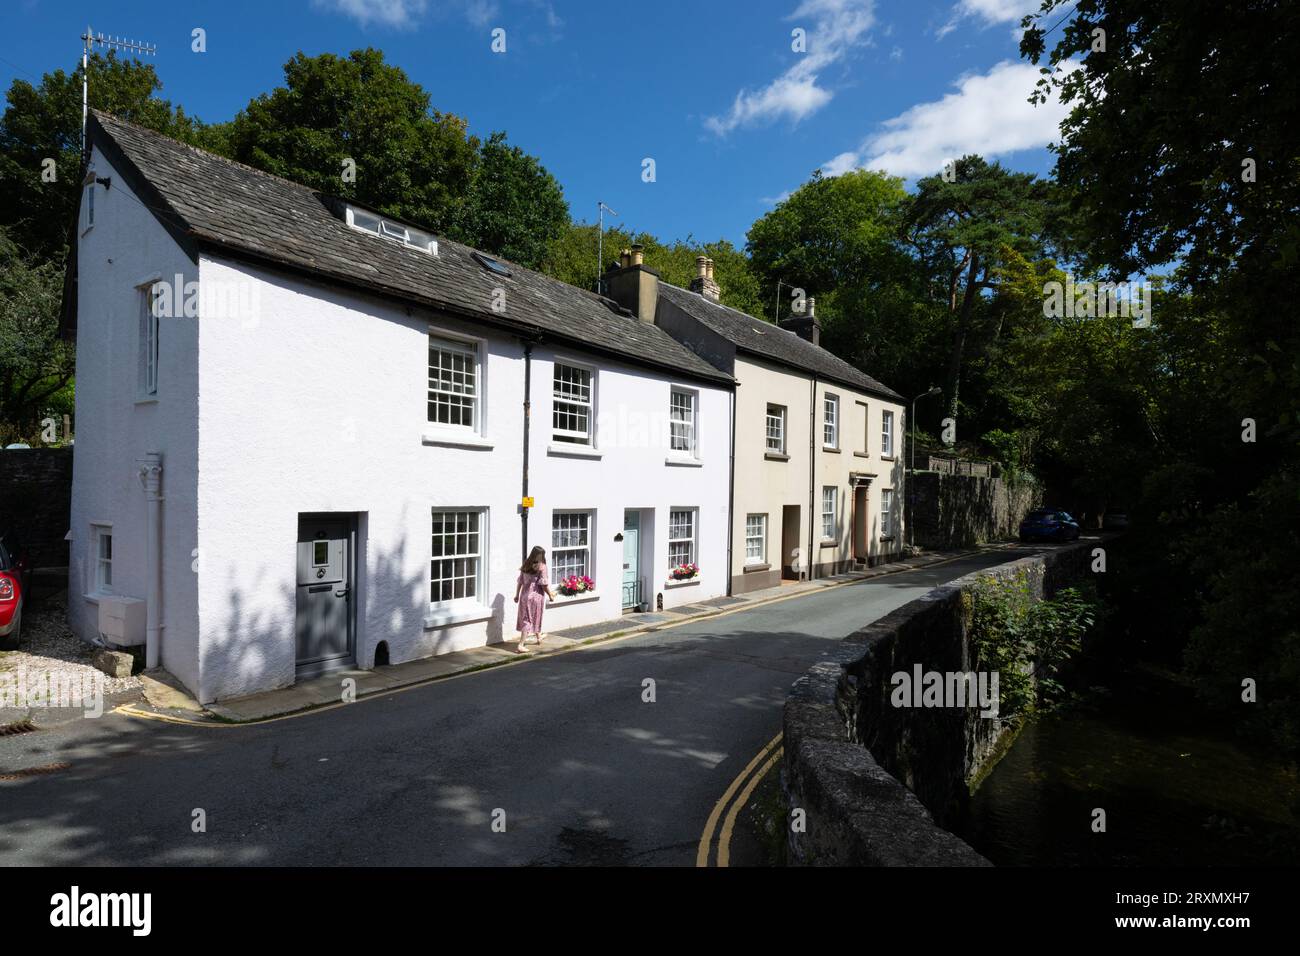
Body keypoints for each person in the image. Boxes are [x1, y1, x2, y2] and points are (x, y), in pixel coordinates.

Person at [514, 546, 556, 650]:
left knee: (530, 617)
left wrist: (517, 595)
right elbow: (544, 585)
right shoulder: (542, 566)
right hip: (536, 597)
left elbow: (520, 581)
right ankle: (521, 644)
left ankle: (538, 637)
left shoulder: (526, 564)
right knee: (530, 619)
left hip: (524, 596)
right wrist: (550, 594)